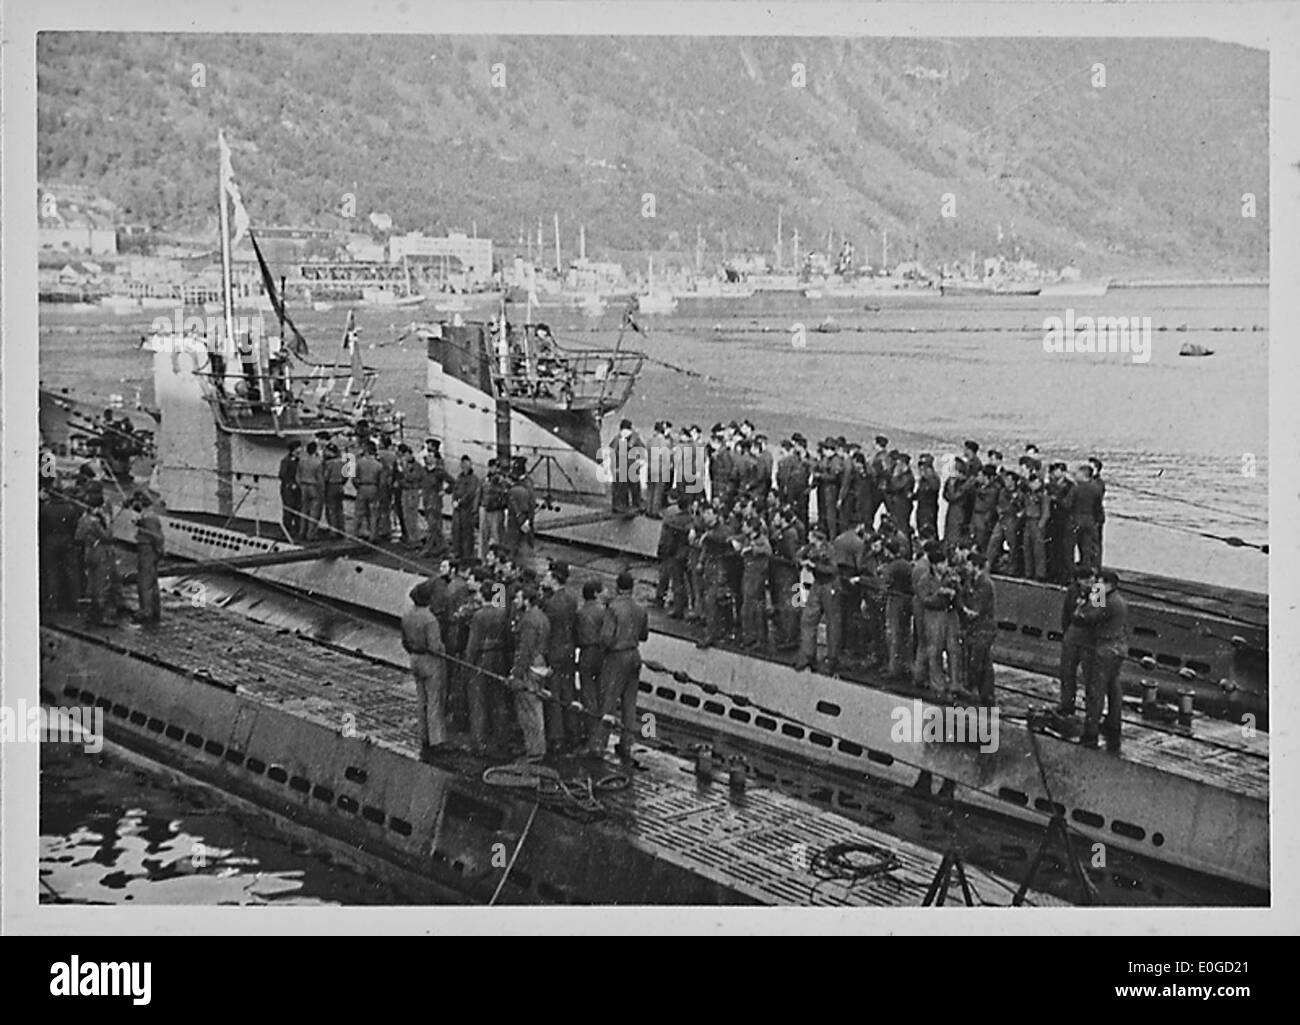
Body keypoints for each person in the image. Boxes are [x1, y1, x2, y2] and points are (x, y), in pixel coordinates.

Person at [589, 572, 648, 764]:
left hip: (616, 657)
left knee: (609, 700)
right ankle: (627, 744)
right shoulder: (641, 609)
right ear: (632, 588)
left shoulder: (613, 609)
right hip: (634, 655)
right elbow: (644, 636)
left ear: (617, 587)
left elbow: (606, 637)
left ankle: (599, 744)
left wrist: (602, 650)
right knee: (630, 703)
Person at [1078, 569, 1128, 752]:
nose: (1095, 585)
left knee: (1096, 690)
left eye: (1099, 582)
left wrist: (1084, 602)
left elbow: (1088, 616)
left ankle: (1090, 733)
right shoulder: (1119, 600)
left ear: (1107, 584)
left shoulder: (1106, 599)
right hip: (1119, 648)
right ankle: (1114, 724)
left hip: (1105, 649)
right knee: (1114, 687)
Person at [401, 580, 449, 761]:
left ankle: (424, 736)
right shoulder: (430, 619)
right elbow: (435, 646)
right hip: (430, 661)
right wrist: (444, 650)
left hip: (414, 659)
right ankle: (436, 740)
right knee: (434, 701)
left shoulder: (407, 615)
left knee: (422, 700)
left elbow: (404, 641)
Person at [464, 579, 511, 755]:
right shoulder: (501, 613)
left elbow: (473, 644)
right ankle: (502, 740)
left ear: (481, 596)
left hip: (482, 658)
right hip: (498, 657)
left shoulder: (479, 616)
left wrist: (469, 663)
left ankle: (479, 743)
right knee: (499, 700)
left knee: (478, 701)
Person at [509, 584, 550, 761]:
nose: (515, 601)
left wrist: (515, 674)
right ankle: (533, 747)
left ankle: (535, 750)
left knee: (529, 710)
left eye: (518, 598)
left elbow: (524, 651)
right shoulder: (541, 617)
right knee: (533, 707)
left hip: (530, 668)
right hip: (540, 665)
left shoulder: (528, 620)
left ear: (527, 601)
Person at [541, 562, 579, 751]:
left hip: (554, 651)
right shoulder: (572, 600)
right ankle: (572, 731)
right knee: (568, 691)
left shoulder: (550, 604)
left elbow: (547, 631)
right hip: (569, 650)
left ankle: (556, 736)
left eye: (548, 575)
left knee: (554, 695)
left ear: (554, 579)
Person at [793, 524, 841, 674]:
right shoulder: (810, 548)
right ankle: (807, 654)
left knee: (832, 623)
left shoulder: (830, 550)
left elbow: (833, 570)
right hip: (818, 584)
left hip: (829, 585)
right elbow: (798, 555)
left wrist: (815, 566)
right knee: (808, 618)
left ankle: (832, 658)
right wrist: (803, 561)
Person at [1057, 565, 1098, 717]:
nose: (1090, 584)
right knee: (1067, 673)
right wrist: (1066, 634)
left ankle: (1092, 711)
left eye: (1092, 581)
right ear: (1079, 580)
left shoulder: (1098, 593)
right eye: (1087, 581)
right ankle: (1067, 705)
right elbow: (1065, 614)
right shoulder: (1072, 591)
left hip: (1089, 640)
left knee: (1090, 677)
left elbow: (1097, 617)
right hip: (1072, 637)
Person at [75, 494, 117, 626]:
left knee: (90, 584)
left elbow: (78, 536)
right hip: (101, 553)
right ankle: (102, 616)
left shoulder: (83, 519)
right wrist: (109, 521)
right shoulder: (96, 521)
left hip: (89, 551)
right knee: (103, 585)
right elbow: (108, 536)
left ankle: (90, 613)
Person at [39, 486, 82, 616]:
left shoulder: (45, 509)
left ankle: (52, 602)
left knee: (52, 572)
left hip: (50, 540)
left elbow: (42, 526)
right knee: (72, 571)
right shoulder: (70, 508)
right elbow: (75, 526)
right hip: (67, 539)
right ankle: (76, 601)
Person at [961, 552, 997, 703]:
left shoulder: (985, 584)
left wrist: (960, 606)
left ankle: (979, 693)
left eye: (969, 564)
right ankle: (986, 695)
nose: (966, 567)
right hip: (978, 628)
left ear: (976, 566)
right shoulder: (974, 581)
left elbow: (975, 610)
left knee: (977, 662)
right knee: (984, 662)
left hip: (983, 628)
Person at [576, 579, 607, 735]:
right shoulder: (603, 611)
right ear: (595, 594)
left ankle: (590, 729)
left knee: (587, 693)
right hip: (601, 653)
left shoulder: (580, 612)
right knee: (601, 691)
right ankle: (599, 730)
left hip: (586, 653)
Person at [654, 496, 693, 618]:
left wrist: (666, 551)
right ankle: (689, 605)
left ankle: (678, 608)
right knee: (690, 582)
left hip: (675, 554)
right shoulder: (691, 520)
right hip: (689, 553)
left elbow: (668, 539)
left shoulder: (673, 520)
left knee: (677, 582)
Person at [738, 518, 772, 648]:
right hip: (748, 575)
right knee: (748, 608)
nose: (743, 528)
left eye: (745, 526)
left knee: (754, 609)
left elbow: (768, 551)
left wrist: (752, 549)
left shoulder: (762, 540)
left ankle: (756, 638)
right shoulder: (748, 538)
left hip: (756, 577)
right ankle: (751, 636)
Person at [132, 493, 165, 623]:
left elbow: (157, 537)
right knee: (151, 580)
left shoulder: (148, 518)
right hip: (148, 550)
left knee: (145, 581)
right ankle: (153, 609)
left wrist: (158, 550)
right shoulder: (147, 516)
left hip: (148, 550)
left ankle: (146, 611)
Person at [420, 439, 453, 557]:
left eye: (430, 455)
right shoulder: (424, 471)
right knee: (433, 525)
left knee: (433, 525)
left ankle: (430, 548)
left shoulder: (439, 471)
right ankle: (441, 547)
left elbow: (452, 482)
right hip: (426, 499)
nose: (427, 457)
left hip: (435, 501)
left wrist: (444, 491)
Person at [1069, 463, 1105, 570]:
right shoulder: (1096, 489)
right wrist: (1098, 520)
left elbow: (1067, 504)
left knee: (1070, 547)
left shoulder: (1076, 488)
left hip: (1076, 520)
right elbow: (1098, 507)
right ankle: (1087, 570)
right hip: (1090, 520)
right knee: (1087, 547)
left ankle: (1070, 572)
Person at [449, 455, 482, 563]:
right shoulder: (459, 477)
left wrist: (460, 502)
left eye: (467, 465)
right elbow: (455, 490)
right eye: (463, 465)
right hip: (457, 509)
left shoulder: (473, 479)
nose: (464, 467)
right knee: (456, 531)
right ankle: (457, 553)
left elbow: (470, 493)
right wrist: (454, 501)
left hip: (467, 510)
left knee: (467, 533)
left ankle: (467, 555)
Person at [1020, 474, 1052, 581]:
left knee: (1038, 550)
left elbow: (1046, 512)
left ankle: (1040, 573)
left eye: (1036, 482)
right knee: (1027, 547)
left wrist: (1041, 525)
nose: (1033, 485)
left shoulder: (1043, 495)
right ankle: (1028, 571)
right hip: (1028, 521)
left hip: (1037, 521)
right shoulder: (1027, 494)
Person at [352, 443, 383, 542]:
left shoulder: (360, 463)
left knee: (358, 512)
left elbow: (354, 478)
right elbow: (381, 481)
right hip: (373, 487)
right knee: (374, 513)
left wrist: (358, 487)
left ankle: (355, 533)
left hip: (362, 487)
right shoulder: (379, 465)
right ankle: (373, 535)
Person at [505, 466, 536, 561]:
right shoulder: (527, 485)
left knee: (513, 545)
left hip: (516, 521)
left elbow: (514, 507)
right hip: (526, 518)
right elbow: (532, 503)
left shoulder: (513, 491)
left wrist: (521, 519)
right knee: (524, 544)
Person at [480, 458, 509, 557]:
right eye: (492, 467)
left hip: (496, 511)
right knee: (484, 535)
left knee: (497, 536)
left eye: (496, 467)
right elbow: (481, 492)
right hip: (486, 508)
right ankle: (484, 558)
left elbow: (504, 494)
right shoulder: (485, 479)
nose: (494, 469)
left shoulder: (502, 480)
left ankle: (497, 558)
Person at [297, 441, 325, 542]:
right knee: (314, 512)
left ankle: (301, 532)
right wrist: (322, 491)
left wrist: (301, 485)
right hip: (314, 487)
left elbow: (297, 476)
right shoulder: (318, 463)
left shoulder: (302, 461)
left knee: (304, 510)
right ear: (315, 450)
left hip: (304, 486)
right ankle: (311, 534)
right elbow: (320, 479)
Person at [375, 434, 399, 541]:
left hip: (379, 482)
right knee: (387, 506)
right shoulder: (393, 455)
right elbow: (395, 470)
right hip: (390, 483)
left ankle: (381, 528)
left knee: (379, 506)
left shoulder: (379, 454)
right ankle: (387, 528)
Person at [278, 440, 303, 540]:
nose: (300, 449)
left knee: (298, 508)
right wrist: (290, 484)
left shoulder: (298, 460)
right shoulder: (286, 461)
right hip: (288, 488)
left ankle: (297, 529)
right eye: (299, 448)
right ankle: (286, 531)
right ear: (294, 449)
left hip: (297, 488)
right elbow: (282, 474)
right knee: (288, 509)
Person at [914, 453, 941, 539]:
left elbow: (932, 490)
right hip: (922, 508)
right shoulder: (923, 480)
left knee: (928, 531)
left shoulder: (933, 478)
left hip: (929, 510)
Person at [322, 443, 346, 537]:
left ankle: (333, 531)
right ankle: (342, 529)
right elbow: (346, 476)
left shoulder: (328, 463)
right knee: (339, 509)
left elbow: (325, 477)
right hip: (340, 486)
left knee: (331, 509)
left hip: (331, 486)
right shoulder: (342, 462)